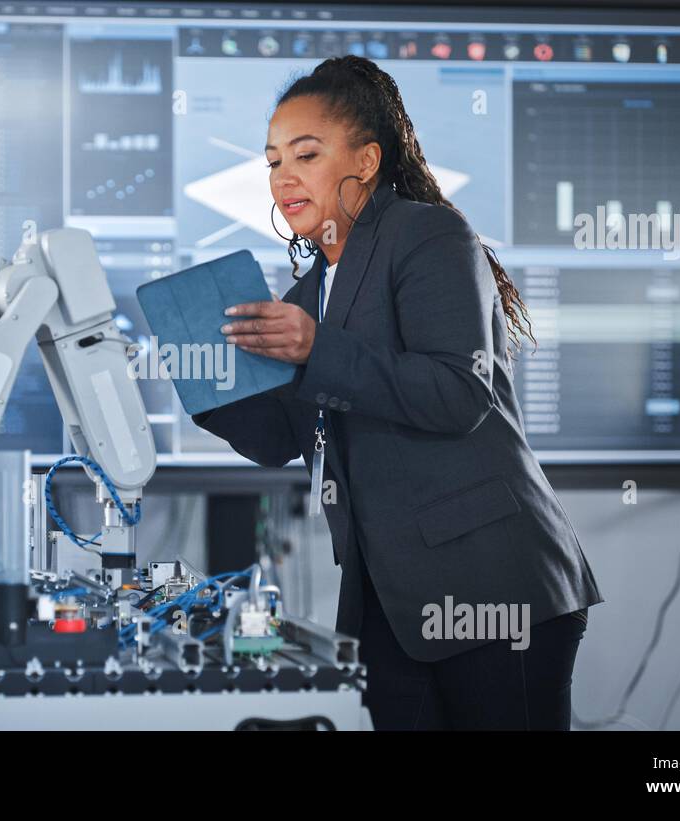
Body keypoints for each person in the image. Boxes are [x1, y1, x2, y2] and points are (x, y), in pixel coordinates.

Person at [193, 55, 604, 729]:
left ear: (365, 161)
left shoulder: (429, 235)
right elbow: (278, 436)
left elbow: (456, 391)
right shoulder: (307, 292)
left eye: (306, 153)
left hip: (492, 587)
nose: (282, 176)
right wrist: (204, 380)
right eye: (271, 161)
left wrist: (314, 348)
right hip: (390, 603)